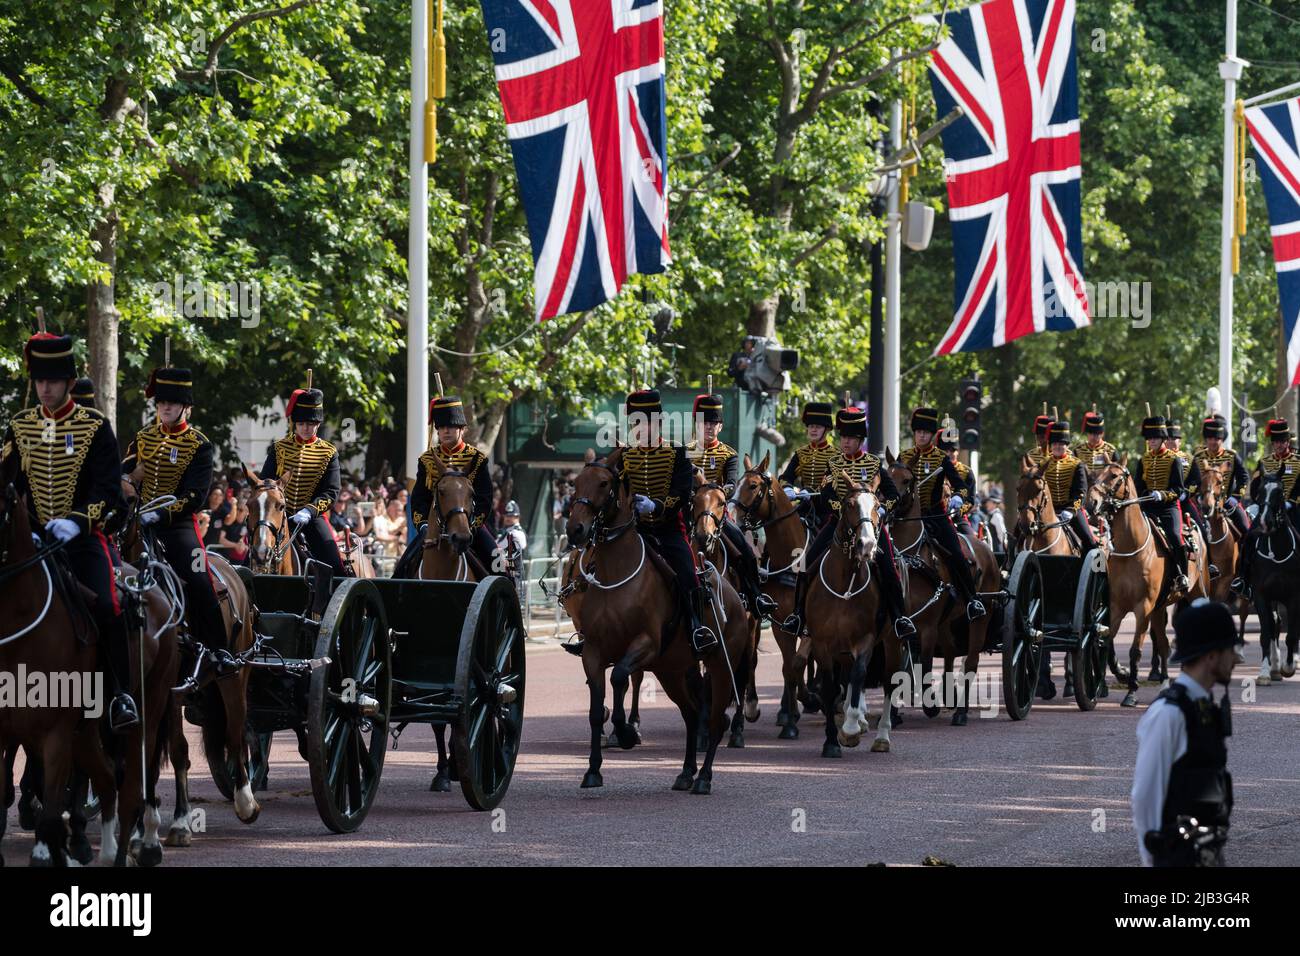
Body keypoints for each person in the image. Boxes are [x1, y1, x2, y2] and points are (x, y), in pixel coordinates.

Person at [3, 333, 134, 730]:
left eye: (53, 380)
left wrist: (77, 521)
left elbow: (110, 492)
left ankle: (119, 696)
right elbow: (9, 483)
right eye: (40, 380)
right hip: (33, 542)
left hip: (79, 540)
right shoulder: (20, 426)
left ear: (69, 381)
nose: (45, 388)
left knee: (109, 607)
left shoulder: (94, 426)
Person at [121, 364, 235, 687]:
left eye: (171, 402)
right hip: (139, 526)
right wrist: (129, 483)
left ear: (185, 406)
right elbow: (123, 477)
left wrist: (162, 513)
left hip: (178, 526)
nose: (165, 407)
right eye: (160, 402)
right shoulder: (143, 439)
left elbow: (197, 495)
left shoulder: (199, 444)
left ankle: (218, 649)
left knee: (200, 577)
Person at [782, 406, 915, 639]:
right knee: (805, 566)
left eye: (851, 438)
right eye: (843, 437)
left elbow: (893, 495)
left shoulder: (874, 464)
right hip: (838, 524)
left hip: (870, 525)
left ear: (860, 440)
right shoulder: (833, 465)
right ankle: (798, 616)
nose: (845, 442)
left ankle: (899, 618)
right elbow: (825, 496)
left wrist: (881, 510)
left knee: (889, 569)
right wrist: (842, 510)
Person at [1131, 599, 1235, 867]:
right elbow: (1145, 796)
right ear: (1211, 656)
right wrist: (1152, 860)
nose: (1234, 658)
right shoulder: (1168, 713)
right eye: (1229, 650)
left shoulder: (1203, 706)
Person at [617, 388, 716, 654]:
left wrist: (657, 505)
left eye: (645, 422)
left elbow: (682, 494)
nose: (640, 428)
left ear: (658, 423)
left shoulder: (676, 452)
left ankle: (697, 627)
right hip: (636, 531)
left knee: (687, 573)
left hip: (669, 530)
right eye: (635, 423)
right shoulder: (625, 456)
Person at [687, 392, 777, 620]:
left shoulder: (729, 454)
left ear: (720, 426)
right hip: (688, 515)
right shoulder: (685, 452)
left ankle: (755, 597)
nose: (708, 427)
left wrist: (709, 489)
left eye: (713, 423)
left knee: (746, 553)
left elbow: (730, 485)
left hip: (717, 516)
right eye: (704, 423)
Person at [897, 406, 985, 620]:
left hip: (934, 516)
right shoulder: (904, 455)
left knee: (956, 553)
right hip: (905, 516)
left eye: (925, 433)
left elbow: (961, 486)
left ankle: (971, 600)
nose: (921, 436)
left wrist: (957, 497)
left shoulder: (940, 458)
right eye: (918, 432)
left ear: (931, 435)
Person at [259, 374, 346, 576]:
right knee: (251, 558)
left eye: (311, 424)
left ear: (318, 424)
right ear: (294, 423)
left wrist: (309, 511)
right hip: (279, 515)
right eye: (301, 424)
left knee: (335, 563)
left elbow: (332, 491)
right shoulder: (279, 448)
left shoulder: (328, 452)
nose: (306, 428)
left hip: (311, 518)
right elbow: (265, 482)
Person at [408, 395, 497, 575]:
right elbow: (419, 498)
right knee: (404, 565)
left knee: (497, 563)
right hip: (434, 527)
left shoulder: (477, 459)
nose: (445, 431)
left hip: (468, 525)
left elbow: (484, 499)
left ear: (462, 429)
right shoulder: (426, 460)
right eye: (441, 427)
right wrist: (424, 525)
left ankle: (507, 597)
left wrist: (470, 525)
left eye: (451, 426)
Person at [1134, 412, 1189, 592]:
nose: (1151, 441)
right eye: (1149, 438)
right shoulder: (1143, 460)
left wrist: (1163, 495)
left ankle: (1183, 575)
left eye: (1155, 438)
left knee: (1174, 535)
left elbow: (1178, 489)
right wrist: (1147, 495)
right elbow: (1137, 486)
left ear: (1163, 438)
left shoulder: (1174, 460)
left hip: (1167, 507)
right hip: (1147, 506)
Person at [1167, 418, 1215, 578]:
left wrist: (1186, 493)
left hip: (1183, 501)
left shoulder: (1189, 458)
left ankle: (1211, 564)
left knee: (1200, 528)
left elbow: (1196, 480)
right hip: (1161, 502)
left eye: (1174, 438)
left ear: (1180, 441)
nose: (1171, 442)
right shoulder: (1156, 458)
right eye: (1167, 438)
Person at [779, 400, 837, 525]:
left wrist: (810, 491)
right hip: (804, 505)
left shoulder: (835, 455)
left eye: (818, 427)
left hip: (826, 508)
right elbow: (786, 476)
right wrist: (787, 487)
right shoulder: (800, 453)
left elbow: (830, 481)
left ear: (826, 430)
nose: (813, 430)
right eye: (811, 426)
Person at [1041, 420, 1096, 549]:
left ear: (1066, 445)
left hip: (1070, 511)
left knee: (1090, 541)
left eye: (1061, 444)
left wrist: (1072, 510)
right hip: (1049, 510)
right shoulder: (1043, 464)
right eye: (1054, 444)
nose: (1057, 447)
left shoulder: (1076, 464)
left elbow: (1081, 492)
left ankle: (1095, 567)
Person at [937, 433, 977, 535]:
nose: (949, 453)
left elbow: (970, 500)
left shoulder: (967, 472)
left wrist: (957, 512)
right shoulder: (934, 470)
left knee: (971, 539)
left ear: (957, 452)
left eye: (952, 450)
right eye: (946, 451)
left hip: (957, 517)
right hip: (934, 515)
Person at [1071, 408, 1120, 478]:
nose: (1093, 437)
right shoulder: (1078, 450)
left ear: (1102, 434)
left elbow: (1118, 473)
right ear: (1087, 433)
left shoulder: (1111, 450)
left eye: (1097, 434)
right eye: (1091, 433)